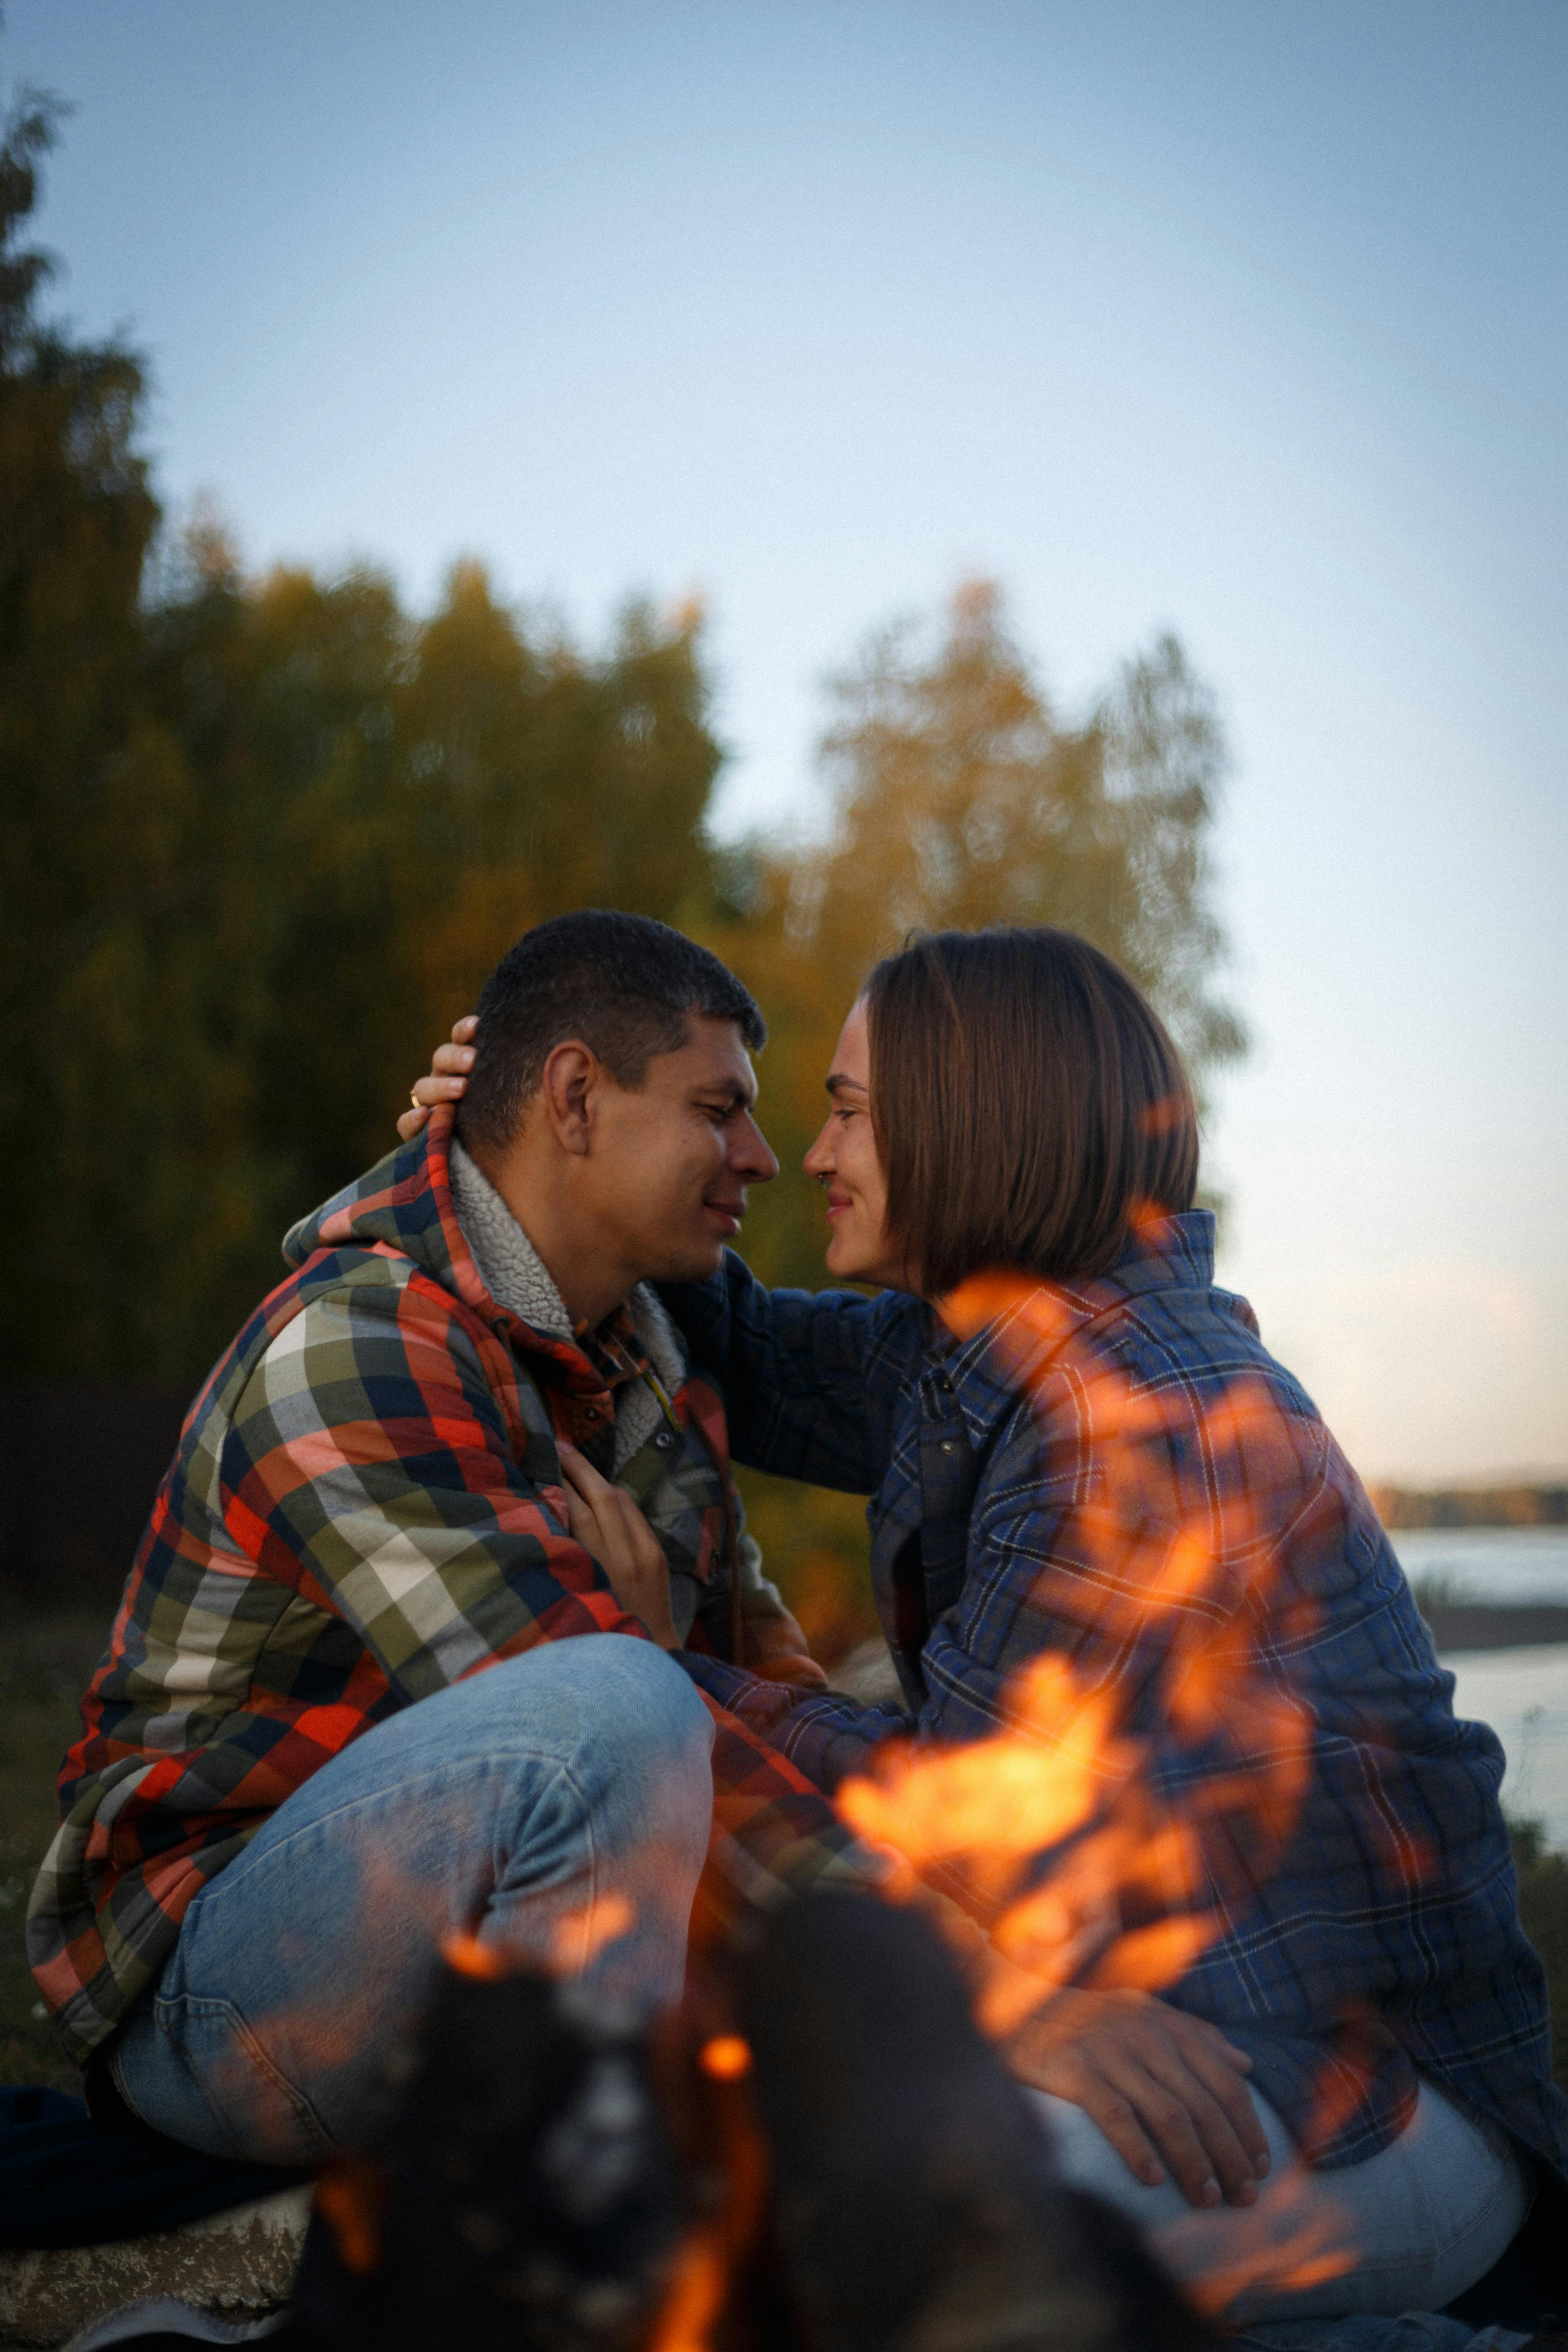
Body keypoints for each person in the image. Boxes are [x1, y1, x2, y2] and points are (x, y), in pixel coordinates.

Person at [405, 923, 1567, 2333]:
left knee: (846, 2236)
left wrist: (654, 1671)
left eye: (848, 1111)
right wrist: (520, 1154)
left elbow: (951, 1839)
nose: (810, 1156)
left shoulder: (1138, 1427)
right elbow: (750, 1352)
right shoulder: (990, 1350)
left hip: (1365, 2106)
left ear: (971, 1122)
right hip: (1203, 2043)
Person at [27, 912, 863, 2171]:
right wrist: (963, 1983)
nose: (764, 1155)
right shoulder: (356, 1346)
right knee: (619, 1705)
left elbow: (776, 1701)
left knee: (767, 1726)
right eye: (717, 1110)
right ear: (574, 1098)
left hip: (495, 1924)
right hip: (225, 1977)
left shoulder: (654, 1372)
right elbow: (598, 1718)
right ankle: (551, 2241)